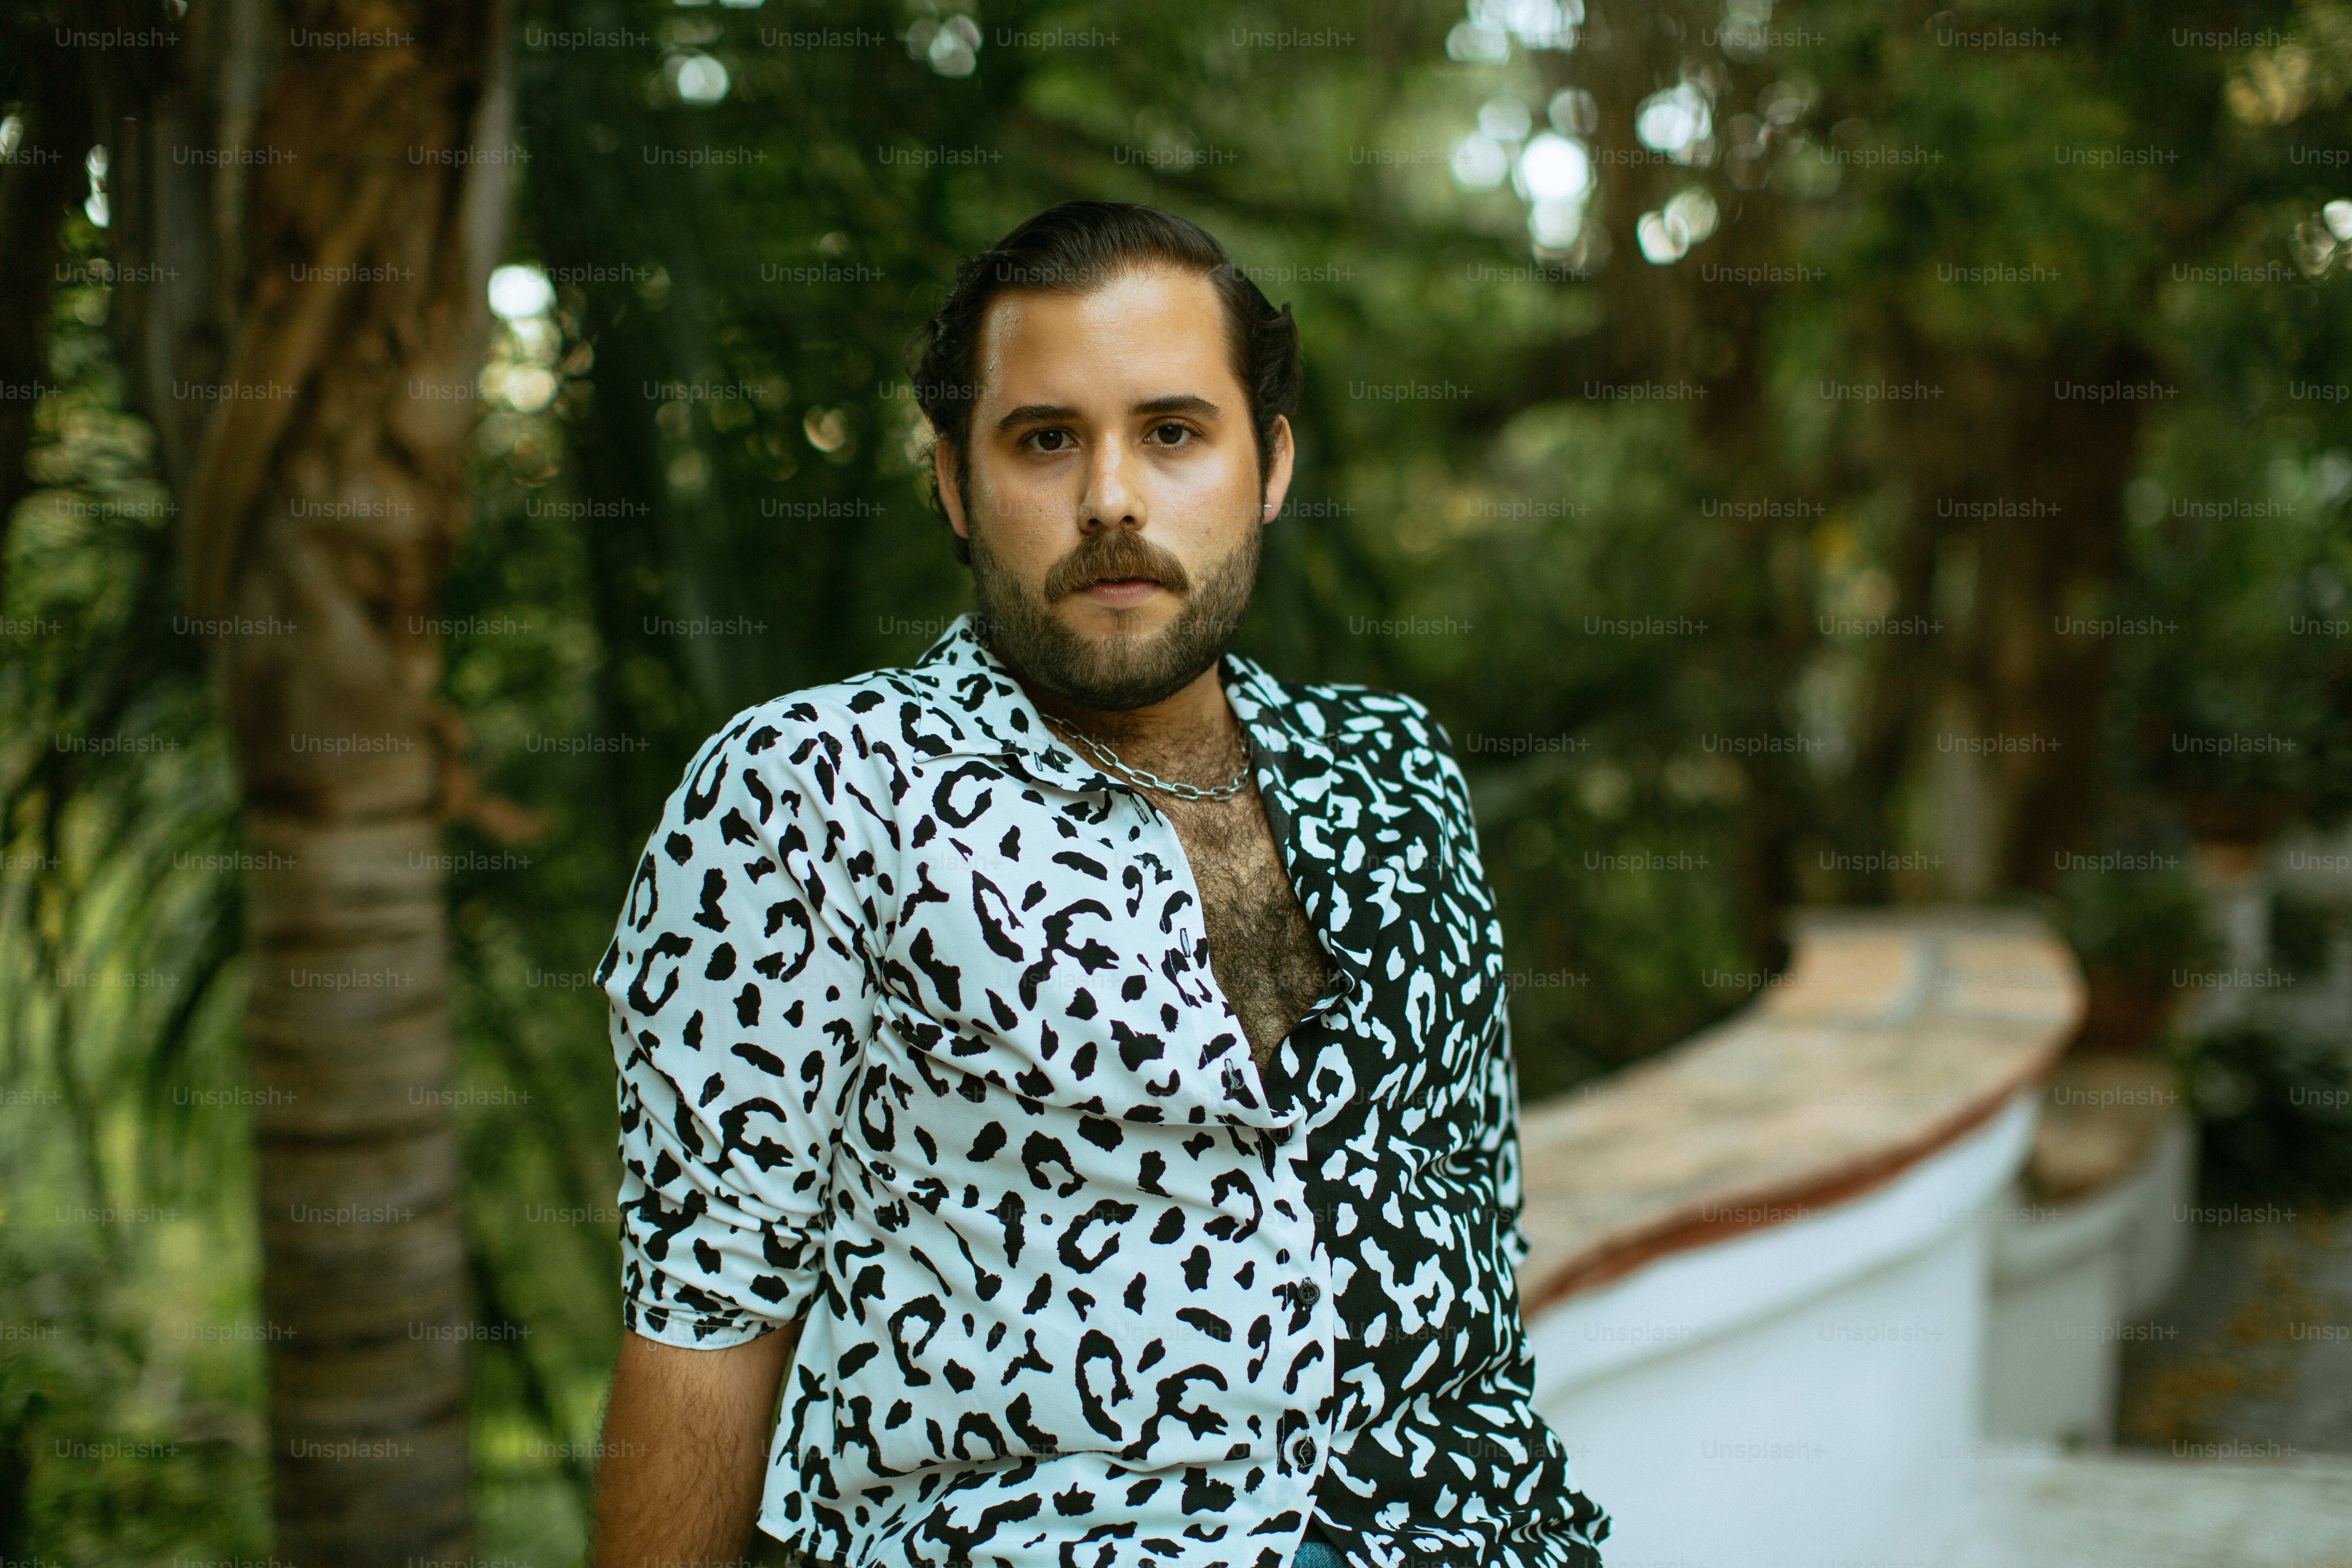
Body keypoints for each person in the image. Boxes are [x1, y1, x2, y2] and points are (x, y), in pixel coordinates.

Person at [588, 200, 1610, 1568]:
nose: (1113, 498)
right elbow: (705, 1328)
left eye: (1174, 433)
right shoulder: (816, 791)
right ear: (955, 483)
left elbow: (1475, 1242)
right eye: (1045, 439)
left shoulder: (1396, 779)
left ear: (1272, 469)